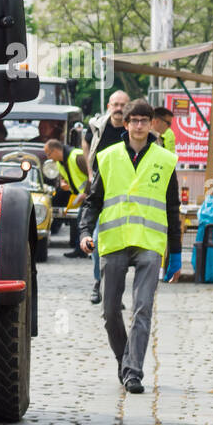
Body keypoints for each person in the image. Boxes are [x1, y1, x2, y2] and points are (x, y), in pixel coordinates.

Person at [78, 99, 181, 393]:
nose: (138, 126)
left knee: (142, 309)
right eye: (133, 121)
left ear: (151, 125)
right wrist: (86, 231)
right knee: (110, 311)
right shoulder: (108, 157)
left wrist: (174, 253)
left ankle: (133, 372)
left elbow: (172, 207)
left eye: (143, 121)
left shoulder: (165, 160)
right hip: (114, 241)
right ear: (126, 124)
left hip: (149, 243)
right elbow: (93, 200)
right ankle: (124, 360)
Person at [83, 88, 130, 302]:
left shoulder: (133, 131)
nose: (119, 109)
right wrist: (90, 172)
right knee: (95, 241)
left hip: (127, 196)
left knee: (121, 247)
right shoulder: (98, 127)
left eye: (123, 105)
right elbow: (86, 143)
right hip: (102, 193)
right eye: (115, 104)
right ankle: (97, 282)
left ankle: (115, 293)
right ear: (109, 106)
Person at [44, 137, 87, 255]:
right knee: (81, 221)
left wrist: (86, 192)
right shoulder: (60, 163)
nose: (49, 158)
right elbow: (69, 177)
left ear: (55, 151)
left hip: (91, 194)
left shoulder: (77, 157)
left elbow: (93, 175)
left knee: (83, 221)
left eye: (48, 154)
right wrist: (64, 184)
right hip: (83, 194)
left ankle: (82, 250)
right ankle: (80, 249)